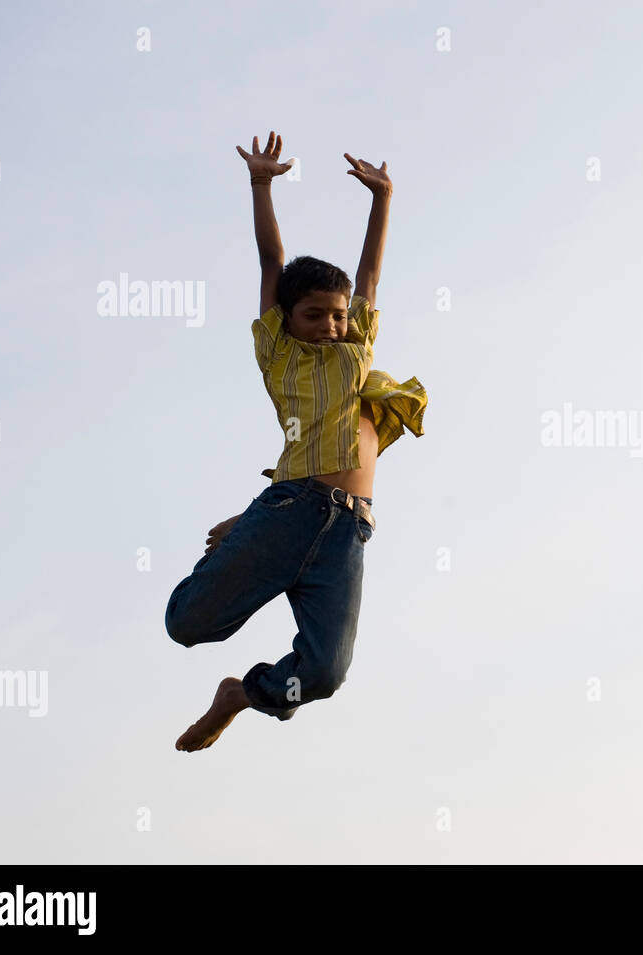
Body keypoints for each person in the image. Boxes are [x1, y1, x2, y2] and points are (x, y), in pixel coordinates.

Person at [164, 130, 426, 752]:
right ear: (286, 319)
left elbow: (367, 275)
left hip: (347, 531)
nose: (332, 326)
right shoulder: (280, 355)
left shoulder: (354, 355)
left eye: (337, 316)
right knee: (186, 625)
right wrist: (261, 185)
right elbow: (271, 264)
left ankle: (240, 695)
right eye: (315, 315)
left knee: (326, 674)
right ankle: (245, 532)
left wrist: (382, 199)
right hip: (291, 510)